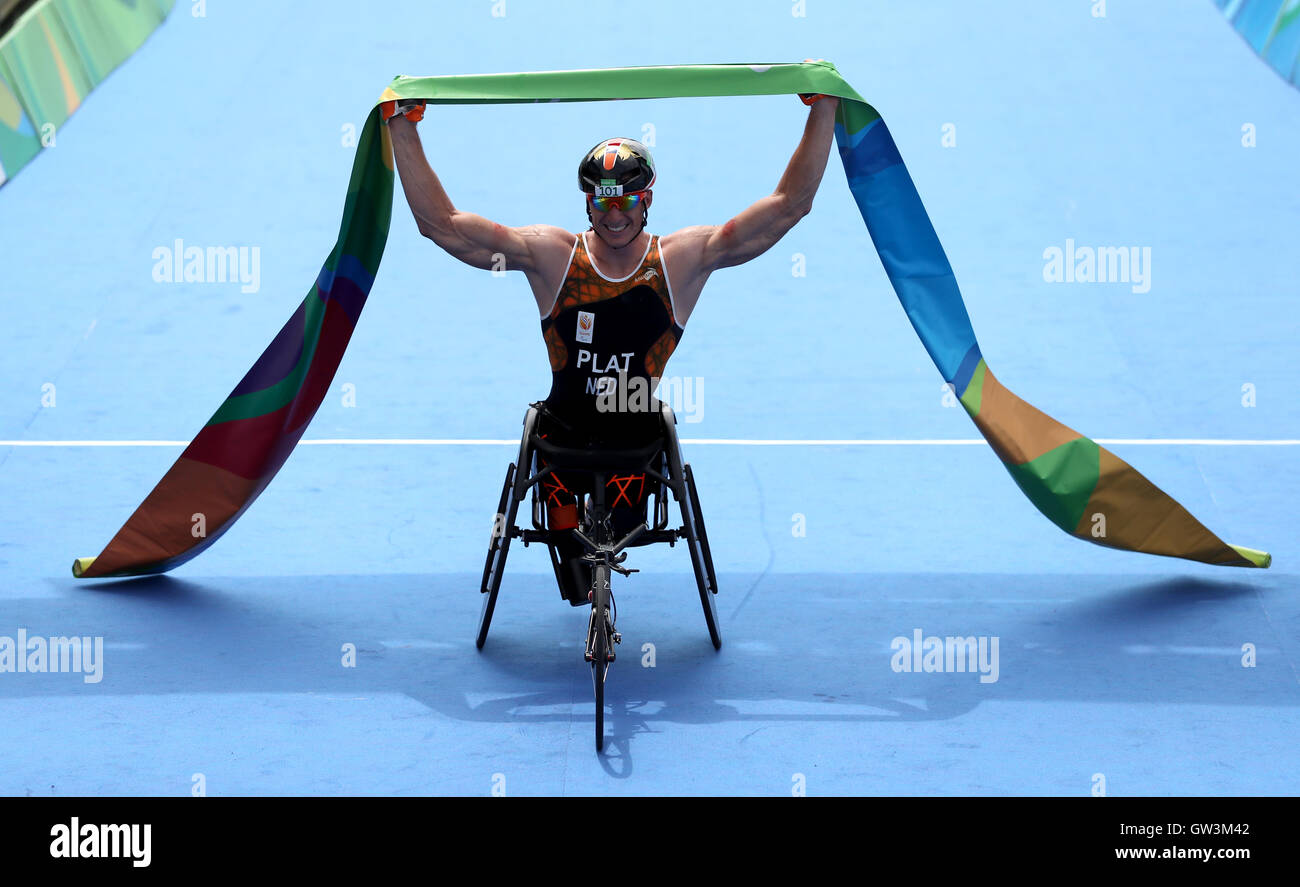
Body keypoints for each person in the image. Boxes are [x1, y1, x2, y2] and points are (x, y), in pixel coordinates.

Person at [385, 89, 840, 604]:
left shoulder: (681, 260)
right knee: (571, 555)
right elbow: (441, 227)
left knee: (622, 525)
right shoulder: (551, 255)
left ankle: (596, 555)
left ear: (646, 200)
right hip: (561, 441)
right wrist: (403, 126)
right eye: (603, 201)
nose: (614, 213)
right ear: (588, 202)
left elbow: (789, 207)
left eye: (626, 200)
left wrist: (822, 109)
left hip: (638, 446)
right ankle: (575, 568)